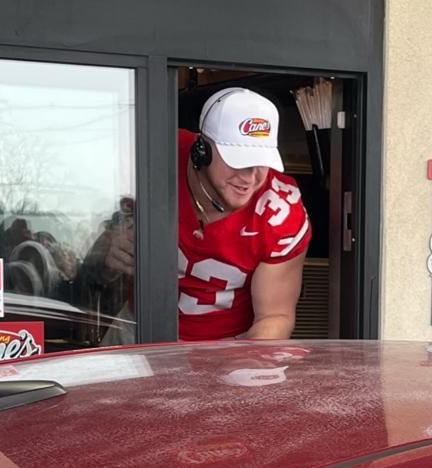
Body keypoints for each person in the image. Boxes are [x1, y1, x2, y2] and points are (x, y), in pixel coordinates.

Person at [86, 87, 311, 341]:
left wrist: (246, 367)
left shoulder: (280, 210)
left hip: (230, 345)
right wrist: (108, 246)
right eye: (237, 160)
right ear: (201, 150)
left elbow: (275, 317)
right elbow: (91, 223)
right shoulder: (157, 156)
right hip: (141, 328)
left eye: (259, 161)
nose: (249, 177)